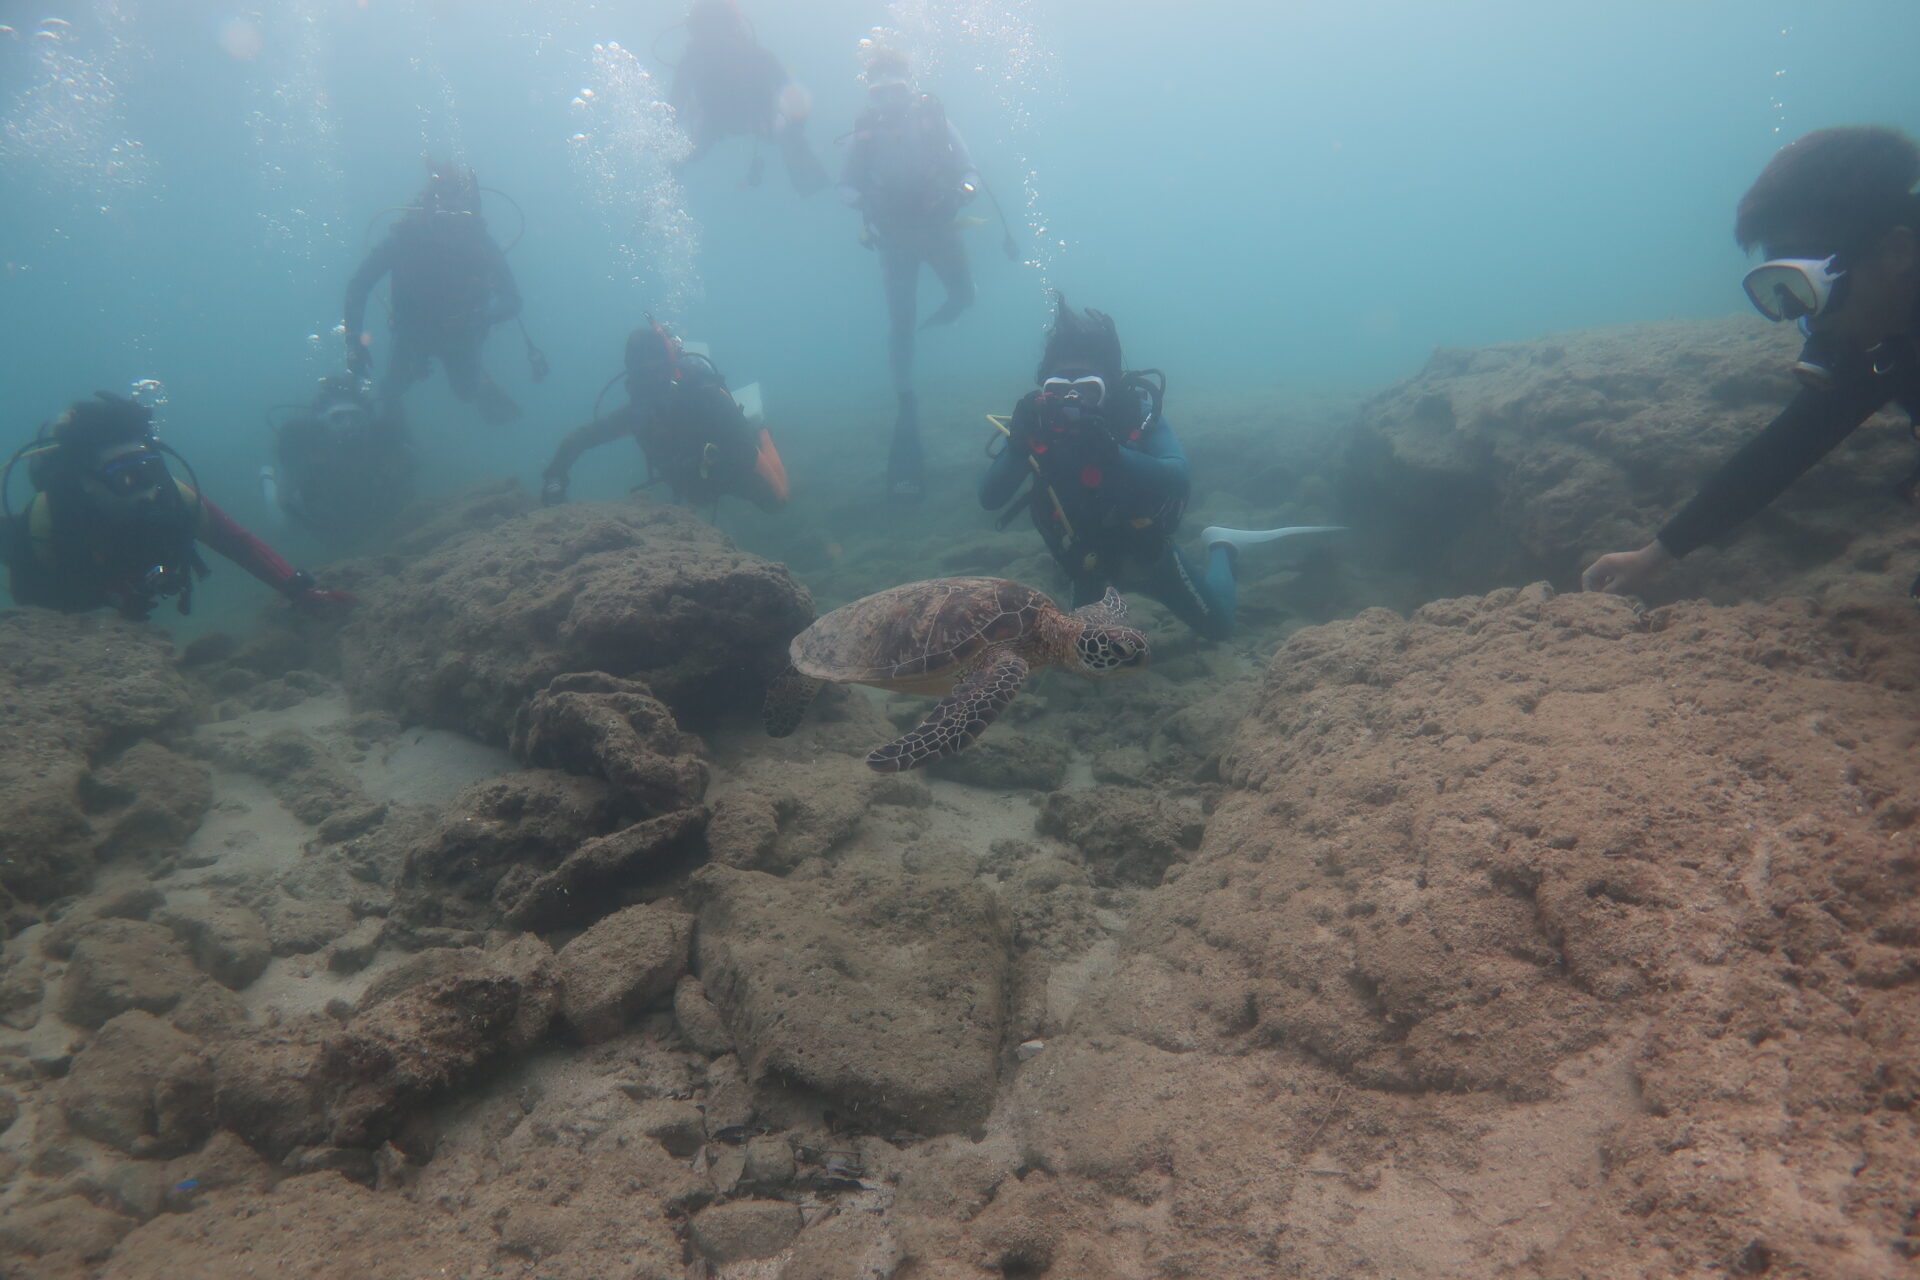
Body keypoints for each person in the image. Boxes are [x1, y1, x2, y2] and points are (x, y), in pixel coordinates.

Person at [1583, 125, 1920, 597]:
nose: (1802, 320)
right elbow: (1790, 446)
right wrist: (1655, 555)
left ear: (1898, 252)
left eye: (1808, 287)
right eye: (1778, 292)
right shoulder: (1891, 338)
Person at [980, 298, 1339, 641]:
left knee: (1220, 627)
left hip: (1147, 554)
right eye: (1059, 388)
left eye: (1088, 390)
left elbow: (1178, 475)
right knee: (1085, 658)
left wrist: (1115, 454)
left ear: (1111, 386)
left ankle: (1223, 546)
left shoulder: (1134, 416)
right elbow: (990, 498)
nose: (1072, 400)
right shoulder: (1034, 431)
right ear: (1043, 388)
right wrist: (1018, 445)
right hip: (1086, 563)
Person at [1, 392, 352, 620]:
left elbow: (238, 543)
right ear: (88, 483)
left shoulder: (175, 497)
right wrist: (109, 596)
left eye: (151, 469)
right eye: (126, 477)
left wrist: (299, 590)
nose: (149, 488)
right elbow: (30, 599)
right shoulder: (48, 519)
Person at [839, 47, 982, 501]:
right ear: (870, 96)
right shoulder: (864, 133)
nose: (889, 103)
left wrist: (961, 193)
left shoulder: (934, 121)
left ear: (910, 86)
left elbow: (970, 171)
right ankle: (905, 395)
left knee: (964, 296)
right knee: (900, 322)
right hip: (895, 237)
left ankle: (932, 331)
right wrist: (864, 203)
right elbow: (844, 184)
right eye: (879, 94)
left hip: (938, 228)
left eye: (896, 91)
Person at [540, 318, 788, 514]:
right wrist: (555, 478)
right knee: (696, 497)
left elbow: (742, 449)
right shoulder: (638, 414)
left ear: (668, 368)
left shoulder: (705, 397)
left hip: (729, 466)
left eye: (654, 373)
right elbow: (582, 438)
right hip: (694, 478)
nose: (648, 384)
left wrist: (712, 459)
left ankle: (762, 426)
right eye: (640, 375)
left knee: (778, 503)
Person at [343, 163, 524, 428]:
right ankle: (397, 443)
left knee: (466, 393)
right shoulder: (403, 240)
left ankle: (481, 385)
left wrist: (480, 318)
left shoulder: (480, 243)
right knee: (391, 391)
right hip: (413, 333)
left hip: (462, 334)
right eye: (444, 214)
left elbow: (512, 300)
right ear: (426, 209)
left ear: (471, 213)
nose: (450, 227)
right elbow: (359, 285)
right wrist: (353, 341)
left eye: (459, 214)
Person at [668, 0, 828, 194]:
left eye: (710, 31)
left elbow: (674, 106)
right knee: (675, 158)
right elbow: (673, 107)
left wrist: (795, 129)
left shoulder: (755, 56)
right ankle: (659, 196)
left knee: (790, 137)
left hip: (750, 119)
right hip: (727, 119)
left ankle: (815, 187)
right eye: (702, 32)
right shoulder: (696, 61)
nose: (709, 39)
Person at [264, 375, 415, 541]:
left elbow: (409, 465)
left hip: (360, 506)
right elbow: (283, 498)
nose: (349, 426)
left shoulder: (378, 442)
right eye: (338, 418)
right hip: (324, 511)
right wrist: (310, 524)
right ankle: (266, 478)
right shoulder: (313, 452)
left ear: (366, 419)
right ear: (323, 423)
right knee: (278, 525)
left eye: (355, 417)